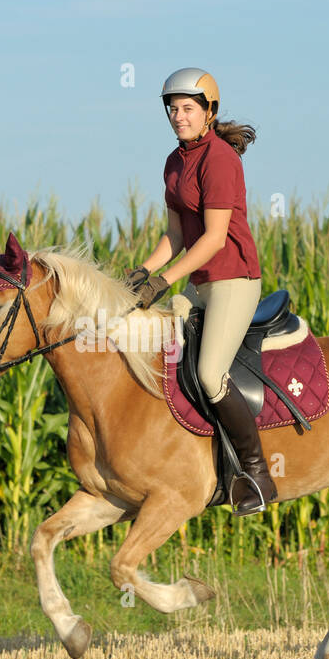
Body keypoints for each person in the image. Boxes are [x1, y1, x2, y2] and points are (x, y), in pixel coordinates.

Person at [125, 67, 277, 515]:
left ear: (209, 111)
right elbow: (175, 233)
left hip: (233, 280)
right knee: (150, 343)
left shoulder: (220, 159)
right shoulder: (174, 162)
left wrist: (163, 281)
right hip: (199, 283)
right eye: (172, 109)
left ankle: (256, 472)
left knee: (210, 374)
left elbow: (212, 238)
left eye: (187, 108)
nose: (178, 116)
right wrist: (142, 270)